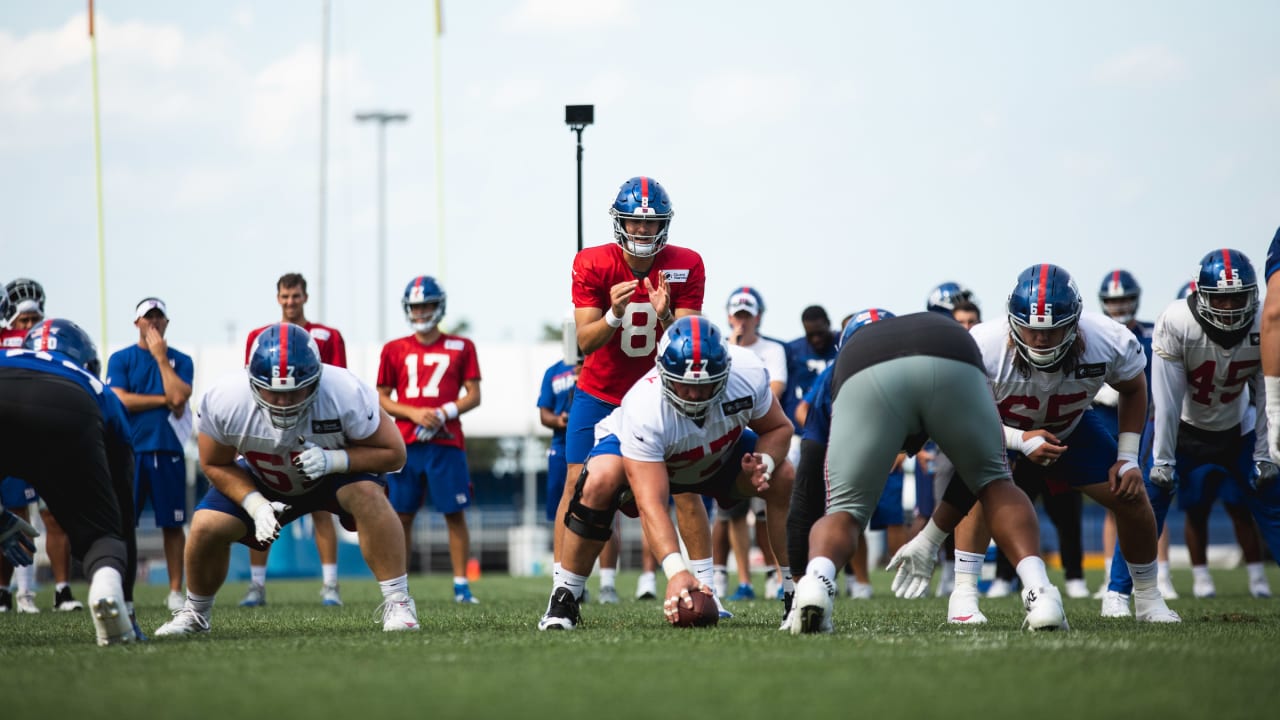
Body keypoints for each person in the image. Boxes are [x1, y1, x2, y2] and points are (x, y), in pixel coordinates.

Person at [790, 311, 1067, 634]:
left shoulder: (834, 375)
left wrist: (798, 581)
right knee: (995, 482)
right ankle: (1041, 593)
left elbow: (805, 495)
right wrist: (931, 538)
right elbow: (976, 473)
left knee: (845, 511)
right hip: (948, 344)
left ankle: (817, 583)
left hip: (866, 367)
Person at [945, 264, 1179, 625]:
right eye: (1031, 329)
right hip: (1001, 430)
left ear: (1074, 322)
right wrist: (1018, 440)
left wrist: (1128, 456)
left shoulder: (1107, 339)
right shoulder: (984, 345)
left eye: (1052, 331)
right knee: (978, 487)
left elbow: (1134, 388)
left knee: (1132, 492)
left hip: (1070, 428)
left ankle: (1149, 598)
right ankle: (963, 595)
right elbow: (963, 414)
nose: (1040, 339)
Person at [156, 323, 417, 636]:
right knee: (205, 524)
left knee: (368, 494)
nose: (283, 401)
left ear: (316, 380)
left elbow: (394, 453)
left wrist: (336, 459)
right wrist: (254, 504)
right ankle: (195, 613)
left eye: (295, 390)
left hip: (332, 476)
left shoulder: (345, 391)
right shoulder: (226, 398)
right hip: (263, 478)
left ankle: (399, 601)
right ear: (252, 382)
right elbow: (214, 464)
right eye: (274, 392)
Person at [538, 316, 795, 631]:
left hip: (715, 454)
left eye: (705, 385)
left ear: (725, 373)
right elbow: (652, 505)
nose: (695, 396)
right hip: (651, 456)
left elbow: (780, 428)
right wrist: (676, 571)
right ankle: (565, 596)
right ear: (662, 373)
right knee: (598, 480)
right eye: (685, 385)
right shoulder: (644, 408)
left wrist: (764, 463)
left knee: (784, 475)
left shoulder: (748, 373)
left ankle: (794, 592)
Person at [553, 175, 710, 608]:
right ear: (619, 222)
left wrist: (663, 318)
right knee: (576, 484)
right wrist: (615, 314)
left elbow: (687, 342)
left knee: (685, 486)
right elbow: (585, 343)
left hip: (660, 394)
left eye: (651, 223)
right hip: (599, 391)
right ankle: (563, 587)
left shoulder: (686, 263)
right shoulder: (592, 263)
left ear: (665, 224)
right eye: (634, 223)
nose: (642, 230)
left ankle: (707, 583)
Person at [1105, 248, 1280, 612]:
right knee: (1140, 504)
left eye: (1238, 297)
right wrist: (1163, 458)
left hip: (1238, 428)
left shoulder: (1264, 319)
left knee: (1273, 502)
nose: (1231, 306)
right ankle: (1117, 594)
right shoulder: (1178, 320)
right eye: (1222, 297)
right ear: (1202, 296)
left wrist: (1266, 452)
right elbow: (1165, 399)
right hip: (1182, 429)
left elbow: (1267, 391)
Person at [1, 318, 139, 645]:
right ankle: (106, 590)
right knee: (103, 534)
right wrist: (128, 603)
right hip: (69, 403)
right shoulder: (94, 384)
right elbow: (123, 509)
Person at [241, 273, 348, 608]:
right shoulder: (260, 337)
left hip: (315, 429)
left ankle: (330, 584)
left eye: (296, 296)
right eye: (285, 296)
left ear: (305, 297)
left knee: (321, 508)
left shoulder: (327, 336)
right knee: (263, 507)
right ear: (278, 298)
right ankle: (257, 586)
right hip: (274, 430)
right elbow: (251, 384)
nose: (291, 302)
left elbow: (340, 382)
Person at [377, 275, 483, 604]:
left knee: (454, 513)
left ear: (439, 306)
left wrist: (443, 411)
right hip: (406, 444)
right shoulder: (394, 349)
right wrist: (413, 412)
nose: (421, 312)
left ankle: (461, 584)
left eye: (427, 305)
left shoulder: (461, 346)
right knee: (401, 516)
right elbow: (381, 397)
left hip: (446, 441)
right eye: (416, 306)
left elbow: (474, 395)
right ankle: (399, 586)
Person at [1091, 270, 1179, 601]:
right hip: (1103, 420)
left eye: (1125, 299)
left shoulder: (1152, 334)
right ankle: (1109, 575)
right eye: (1113, 301)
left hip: (1145, 420)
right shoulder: (1096, 334)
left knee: (1151, 495)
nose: (1119, 306)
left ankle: (1163, 574)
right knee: (1112, 502)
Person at [106, 298, 193, 613]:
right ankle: (124, 592)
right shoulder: (121, 359)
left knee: (172, 524)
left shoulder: (179, 360)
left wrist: (160, 359)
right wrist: (163, 399)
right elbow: (120, 400)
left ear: (166, 323)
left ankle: (174, 591)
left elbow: (180, 395)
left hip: (167, 450)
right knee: (123, 524)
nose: (153, 324)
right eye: (148, 318)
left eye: (159, 318)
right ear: (137, 323)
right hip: (130, 451)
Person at [0, 278, 81, 613]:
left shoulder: (49, 339)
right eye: (23, 320)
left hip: (45, 436)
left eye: (34, 320)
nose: (30, 326)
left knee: (53, 515)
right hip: (11, 437)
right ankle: (16, 592)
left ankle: (62, 591)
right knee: (14, 516)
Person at [716, 286, 789, 602]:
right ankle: (742, 580)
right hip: (729, 434)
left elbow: (774, 390)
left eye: (747, 314)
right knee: (730, 512)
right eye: (737, 314)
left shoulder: (772, 349)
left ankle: (777, 575)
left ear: (758, 316)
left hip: (759, 434)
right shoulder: (720, 347)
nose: (742, 320)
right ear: (729, 316)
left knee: (765, 506)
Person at [782, 305, 838, 433]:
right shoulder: (792, 351)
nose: (816, 339)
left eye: (820, 333)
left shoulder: (843, 345)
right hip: (800, 431)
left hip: (838, 424)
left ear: (828, 324)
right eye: (811, 335)